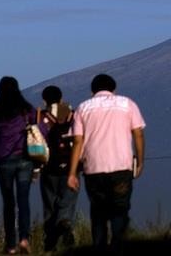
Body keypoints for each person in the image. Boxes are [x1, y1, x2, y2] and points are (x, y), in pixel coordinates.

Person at [67, 73, 146, 252]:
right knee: (120, 209)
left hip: (93, 168)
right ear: (114, 89)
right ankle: (118, 244)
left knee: (98, 212)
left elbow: (78, 141)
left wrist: (72, 173)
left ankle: (99, 247)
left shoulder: (83, 108)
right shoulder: (127, 104)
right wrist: (140, 161)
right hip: (121, 167)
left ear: (92, 90)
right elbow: (138, 133)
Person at [0, 76, 36, 255]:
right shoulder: (26, 109)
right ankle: (25, 239)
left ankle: (10, 245)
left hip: (4, 159)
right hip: (24, 158)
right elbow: (35, 125)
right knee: (24, 200)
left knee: (8, 202)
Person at [38, 85, 78, 252]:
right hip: (71, 166)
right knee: (67, 201)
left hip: (48, 167)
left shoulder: (42, 117)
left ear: (45, 100)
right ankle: (65, 223)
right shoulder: (72, 114)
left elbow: (37, 141)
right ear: (61, 98)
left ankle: (50, 241)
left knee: (49, 204)